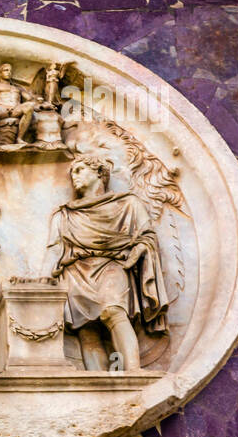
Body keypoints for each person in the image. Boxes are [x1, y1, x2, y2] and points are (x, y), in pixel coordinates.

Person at [47, 154, 169, 371]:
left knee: (113, 311)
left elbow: (147, 235)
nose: (73, 176)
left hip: (112, 265)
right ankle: (98, 381)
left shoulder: (128, 204)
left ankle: (132, 371)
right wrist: (42, 276)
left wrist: (137, 252)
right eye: (72, 172)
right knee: (87, 331)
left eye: (79, 169)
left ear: (99, 173)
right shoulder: (65, 214)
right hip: (75, 271)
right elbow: (54, 250)